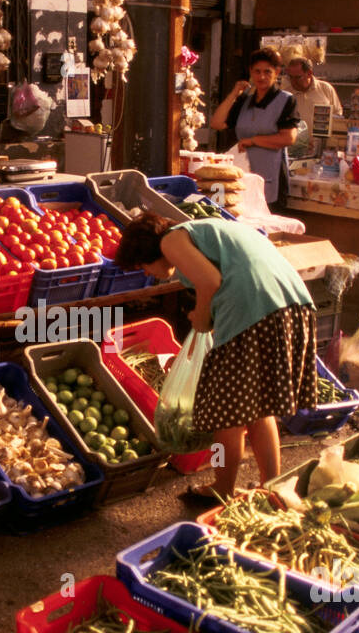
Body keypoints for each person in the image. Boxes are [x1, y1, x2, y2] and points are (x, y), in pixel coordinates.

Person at [113, 213, 317, 500]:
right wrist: (201, 323)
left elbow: (211, 281)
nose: (147, 273)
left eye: (143, 264)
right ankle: (271, 487)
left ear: (148, 249)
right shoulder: (204, 231)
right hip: (290, 307)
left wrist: (201, 316)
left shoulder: (171, 241)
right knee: (260, 409)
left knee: (226, 417)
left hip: (253, 314)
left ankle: (222, 487)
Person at [209, 48, 300, 209]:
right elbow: (217, 123)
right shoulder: (245, 101)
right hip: (243, 177)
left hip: (271, 180)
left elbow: (288, 138)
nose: (261, 77)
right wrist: (234, 94)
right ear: (251, 72)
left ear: (277, 72)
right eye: (257, 71)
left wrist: (253, 141)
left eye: (267, 71)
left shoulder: (286, 100)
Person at [284, 57, 343, 149]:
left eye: (298, 77)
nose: (293, 82)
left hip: (323, 149)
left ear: (309, 73)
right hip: (295, 150)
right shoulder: (286, 95)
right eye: (291, 77)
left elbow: (338, 117)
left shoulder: (326, 89)